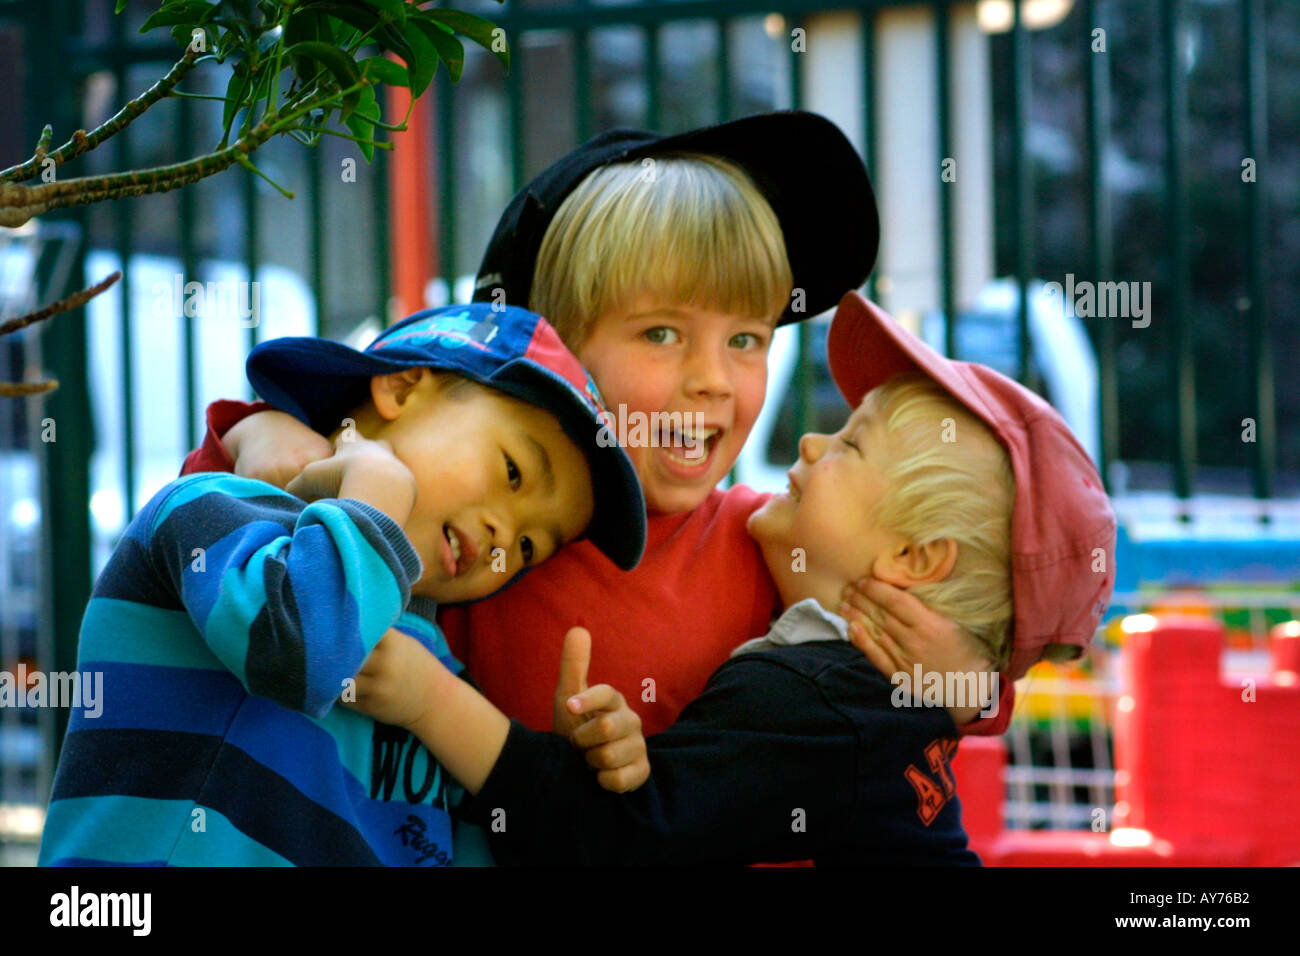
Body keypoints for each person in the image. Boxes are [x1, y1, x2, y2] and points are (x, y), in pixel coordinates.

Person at [180, 112, 1014, 740]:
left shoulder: (770, 540)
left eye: (748, 339)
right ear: (556, 358)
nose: (713, 379)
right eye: (661, 333)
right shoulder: (481, 528)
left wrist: (965, 682)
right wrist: (255, 434)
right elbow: (214, 556)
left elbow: (943, 619)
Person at [342, 291, 1118, 866]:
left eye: (851, 447)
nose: (811, 442)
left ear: (913, 562)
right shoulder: (881, 692)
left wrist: (429, 700)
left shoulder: (812, 696)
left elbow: (622, 836)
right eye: (661, 333)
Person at [38, 304, 647, 867]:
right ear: (403, 386)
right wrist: (373, 489)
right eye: (512, 471)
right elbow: (301, 652)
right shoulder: (206, 512)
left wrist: (566, 773)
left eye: (528, 548)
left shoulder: (430, 672)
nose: (502, 534)